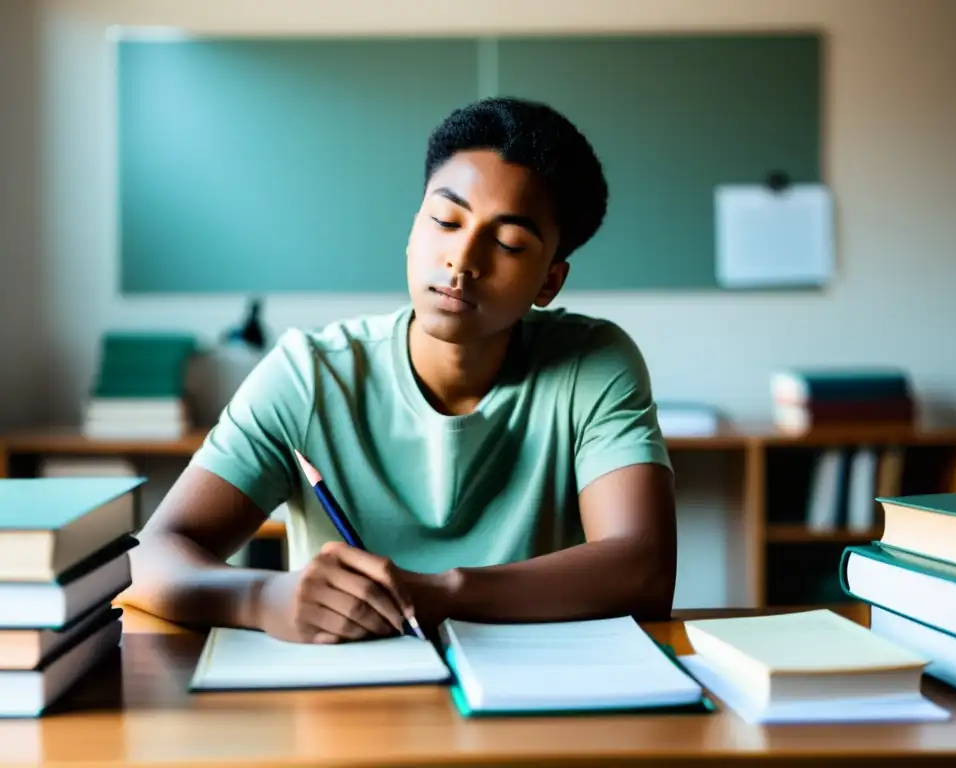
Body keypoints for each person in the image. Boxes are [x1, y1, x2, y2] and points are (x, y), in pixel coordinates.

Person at [119, 97, 678, 644]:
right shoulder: (310, 375)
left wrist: (445, 592)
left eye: (508, 243)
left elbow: (644, 569)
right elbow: (149, 557)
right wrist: (262, 598)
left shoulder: (593, 364)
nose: (462, 258)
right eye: (445, 220)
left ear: (549, 283)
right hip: (347, 704)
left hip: (536, 707)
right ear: (413, 232)